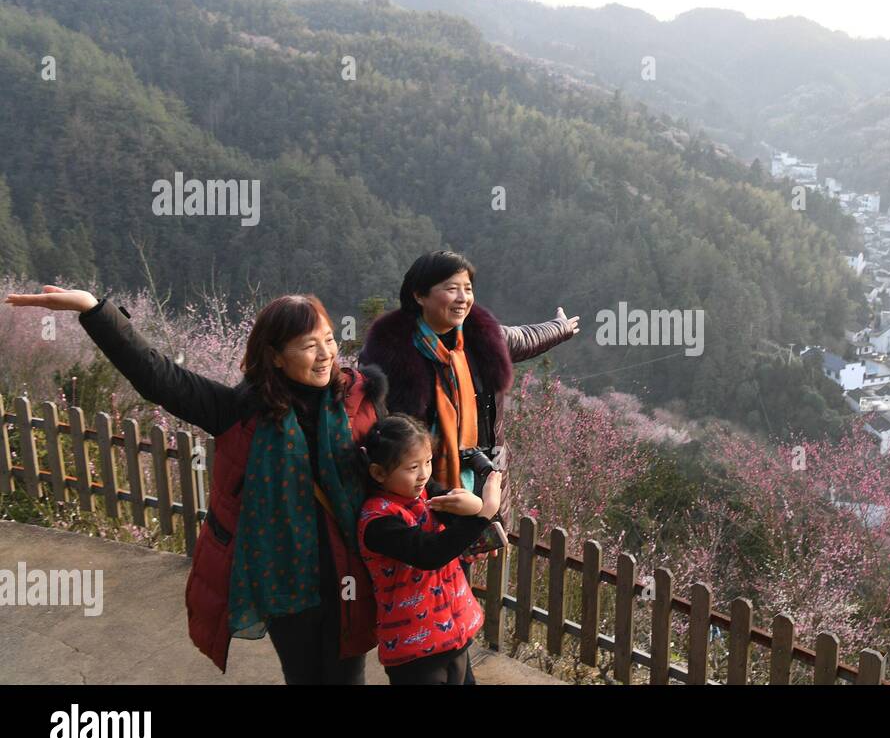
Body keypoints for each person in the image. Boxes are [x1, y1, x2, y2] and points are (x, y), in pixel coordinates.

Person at [4, 285, 385, 683]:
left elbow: (397, 467)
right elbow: (158, 376)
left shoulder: (359, 400)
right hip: (285, 582)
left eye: (328, 340)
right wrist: (94, 310)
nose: (326, 354)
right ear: (274, 355)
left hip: (351, 574)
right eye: (309, 345)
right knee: (303, 675)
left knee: (348, 675)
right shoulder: (239, 412)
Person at [359, 250, 578, 683]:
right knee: (424, 571)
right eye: (451, 289)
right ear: (420, 294)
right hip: (420, 488)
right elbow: (376, 424)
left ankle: (451, 647)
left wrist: (559, 328)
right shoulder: (390, 353)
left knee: (455, 578)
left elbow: (519, 338)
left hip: (473, 482)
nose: (463, 299)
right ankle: (426, 655)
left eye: (468, 289)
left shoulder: (477, 337)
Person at [356, 413, 502, 684]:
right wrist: (483, 514)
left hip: (453, 635)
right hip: (415, 653)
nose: (424, 474)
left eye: (428, 462)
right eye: (412, 468)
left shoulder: (426, 494)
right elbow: (429, 553)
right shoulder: (378, 521)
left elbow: (458, 526)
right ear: (378, 472)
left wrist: (475, 510)